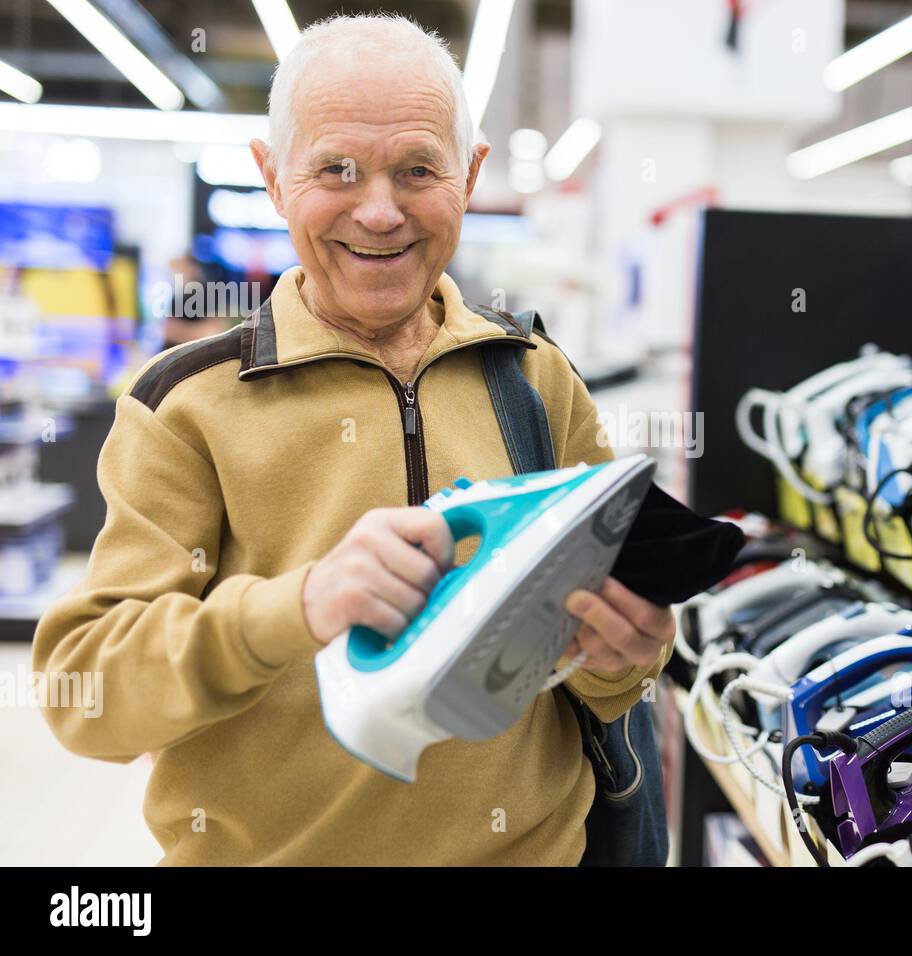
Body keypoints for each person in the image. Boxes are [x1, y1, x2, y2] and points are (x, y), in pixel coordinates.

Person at [32, 13, 674, 866]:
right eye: (336, 168)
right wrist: (298, 606)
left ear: (471, 174)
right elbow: (86, 693)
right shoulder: (183, 404)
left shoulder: (535, 375)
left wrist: (626, 652)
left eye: (418, 169)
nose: (379, 211)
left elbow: (604, 667)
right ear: (272, 178)